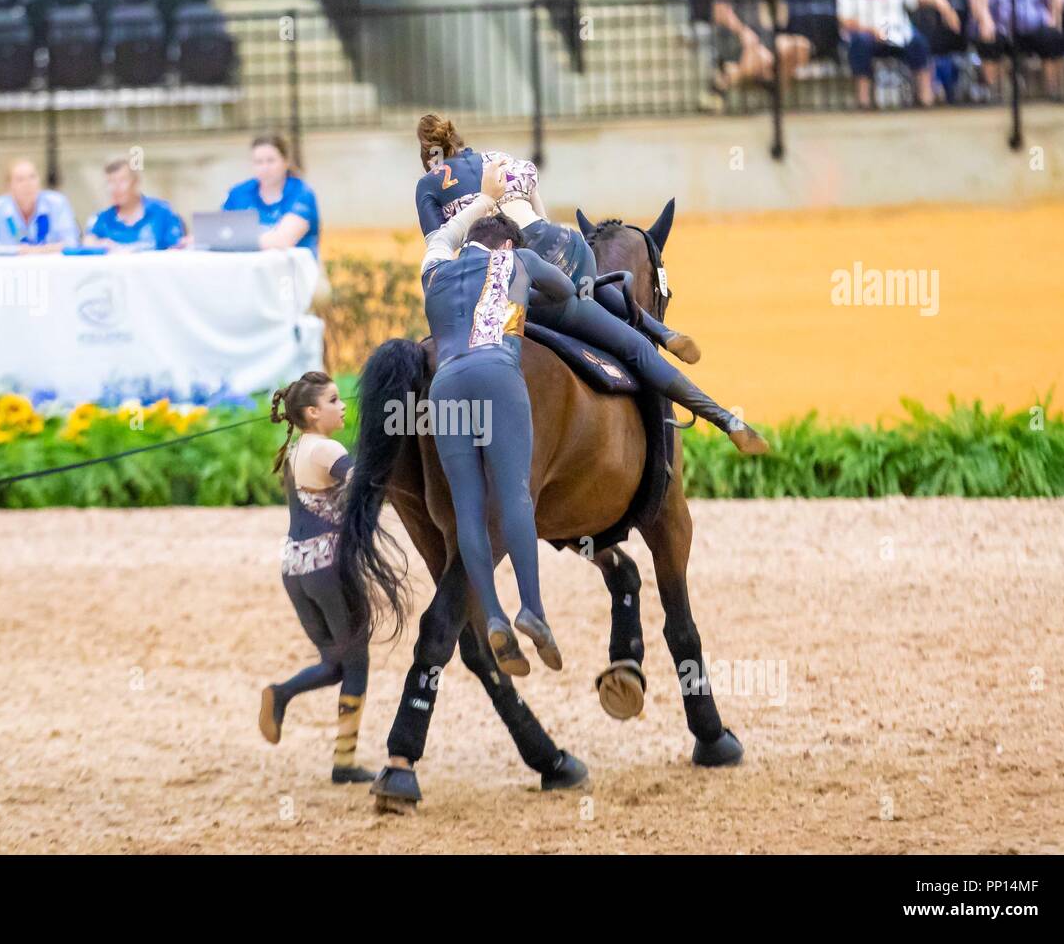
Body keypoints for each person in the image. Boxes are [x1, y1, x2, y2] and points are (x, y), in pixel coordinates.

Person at [414, 115, 769, 456]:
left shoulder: (429, 185)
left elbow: (443, 248)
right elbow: (541, 218)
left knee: (564, 302)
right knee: (630, 339)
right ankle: (720, 411)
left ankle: (660, 339)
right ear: (460, 142)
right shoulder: (503, 159)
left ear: (429, 158)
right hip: (569, 247)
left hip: (523, 275)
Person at [417, 161, 570, 676]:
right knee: (514, 496)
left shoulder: (436, 268)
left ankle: (494, 616)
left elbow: (443, 236)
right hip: (498, 373)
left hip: (446, 384)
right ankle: (532, 607)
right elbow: (565, 289)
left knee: (468, 509)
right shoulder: (518, 259)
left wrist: (479, 204)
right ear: (506, 243)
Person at [259, 372, 375, 784]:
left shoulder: (296, 449)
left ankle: (282, 693)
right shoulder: (326, 449)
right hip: (328, 567)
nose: (342, 407)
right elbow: (366, 484)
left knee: (334, 662)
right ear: (312, 412)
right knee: (356, 660)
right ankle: (344, 763)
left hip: (295, 569)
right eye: (333, 400)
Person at [222, 134, 321, 260]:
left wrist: (235, 240)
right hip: (249, 267)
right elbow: (220, 231)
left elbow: (283, 241)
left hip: (294, 269)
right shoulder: (239, 193)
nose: (265, 168)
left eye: (271, 161)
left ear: (286, 162)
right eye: (258, 162)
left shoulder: (300, 192)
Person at [0, 158, 81, 253]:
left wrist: (37, 251)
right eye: (20, 179)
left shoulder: (57, 203)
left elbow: (72, 242)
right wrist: (11, 251)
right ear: (9, 186)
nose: (28, 184)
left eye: (32, 177)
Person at [968, 0, 1064, 100]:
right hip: (1000, 28)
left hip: (1036, 25)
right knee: (989, 40)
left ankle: (1054, 92)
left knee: (1052, 36)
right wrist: (985, 20)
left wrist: (1055, 17)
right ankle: (994, 94)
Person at [85, 158, 185, 251]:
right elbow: (88, 242)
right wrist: (98, 244)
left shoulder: (161, 212)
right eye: (110, 182)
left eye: (122, 181)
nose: (115, 188)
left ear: (136, 181)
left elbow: (177, 246)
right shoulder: (103, 219)